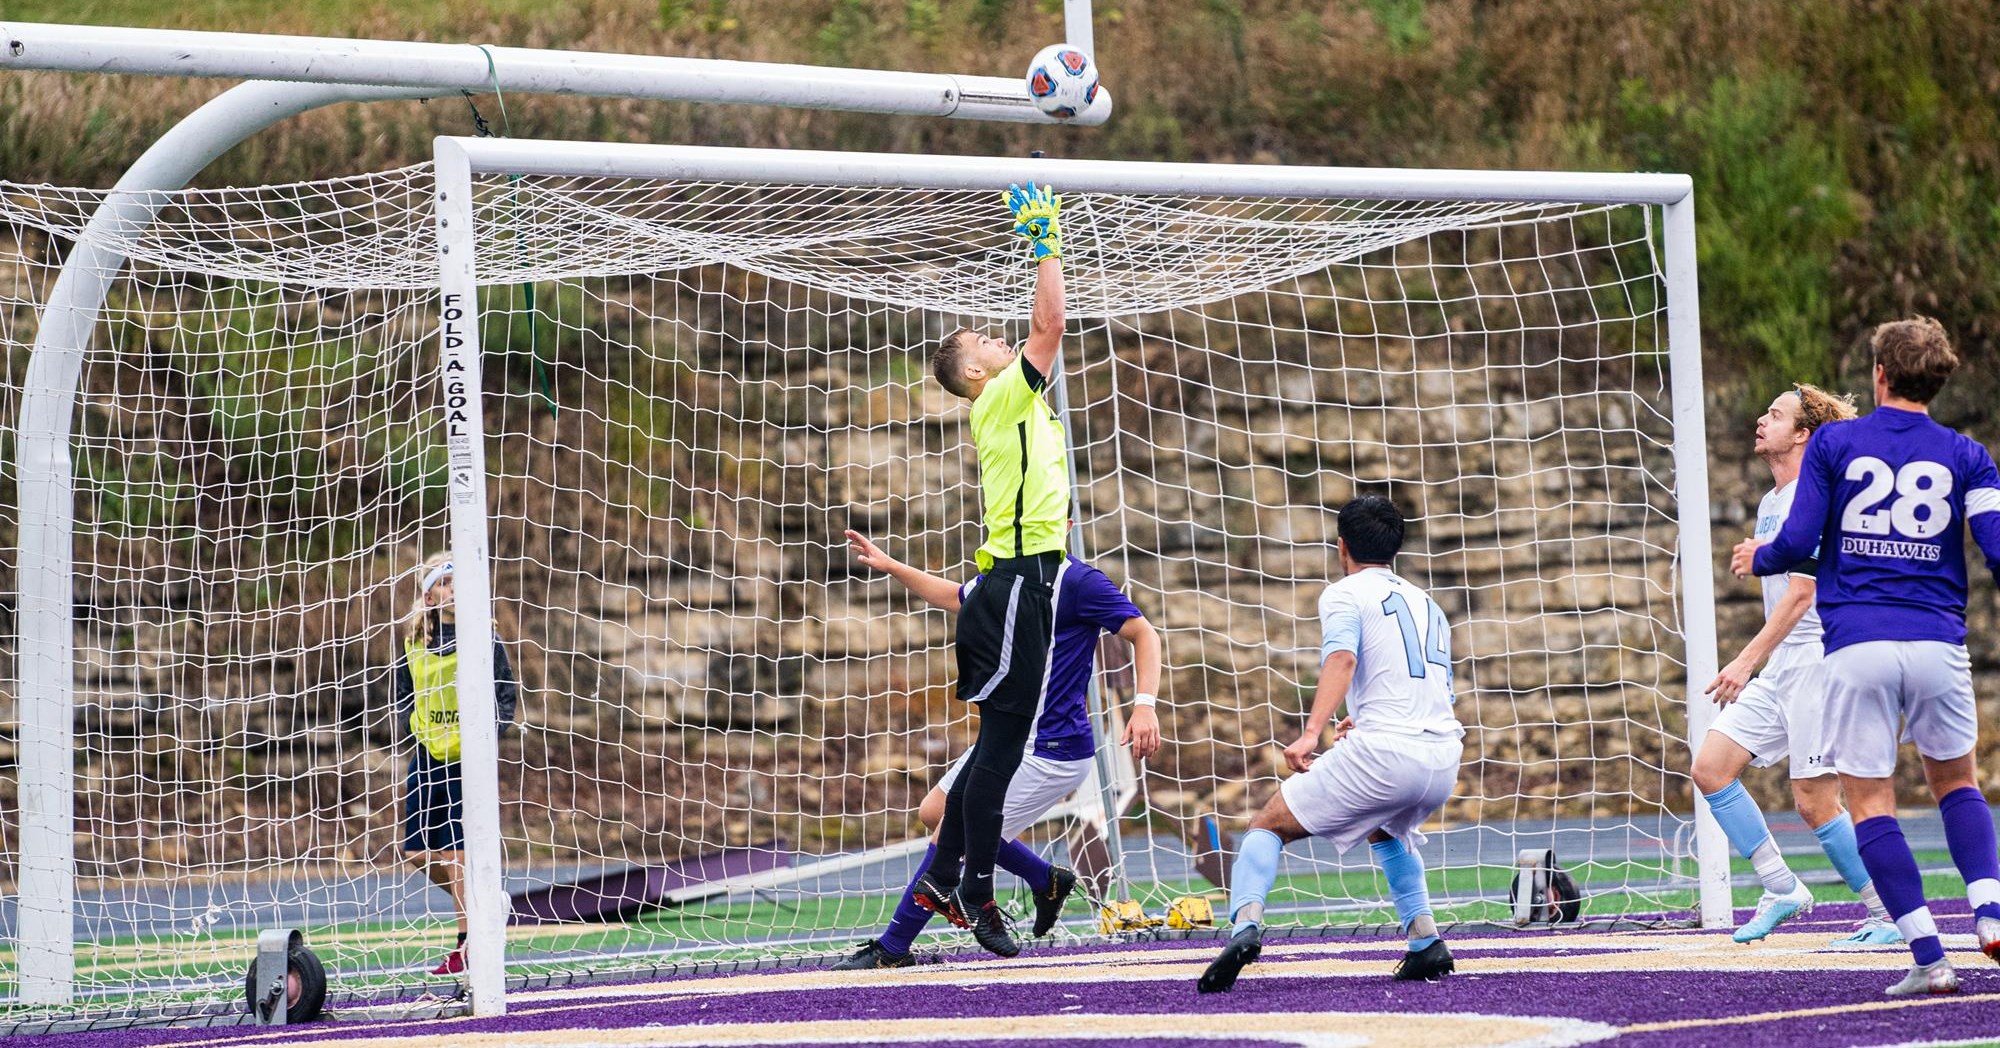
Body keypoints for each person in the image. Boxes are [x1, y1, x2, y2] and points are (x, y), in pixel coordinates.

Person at [1746, 317, 2000, 996]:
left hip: (1857, 645)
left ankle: (1929, 957)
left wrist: (1759, 556)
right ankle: (1988, 912)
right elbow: (1997, 549)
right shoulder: (1969, 455)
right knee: (1959, 784)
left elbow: (1798, 539)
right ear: (1938, 380)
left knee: (1869, 801)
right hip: (1937, 642)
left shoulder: (1836, 442)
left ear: (1880, 375)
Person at [832, 529, 1162, 969]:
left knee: (952, 836)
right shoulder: (1007, 573)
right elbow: (957, 596)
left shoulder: (1080, 582)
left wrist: (1144, 705)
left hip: (1051, 751)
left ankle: (892, 948)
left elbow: (1144, 633)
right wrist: (892, 566)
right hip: (1006, 737)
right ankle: (1046, 879)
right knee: (934, 810)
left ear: (1063, 524)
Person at [1198, 495, 1464, 992]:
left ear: (1342, 547)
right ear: (1396, 546)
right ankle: (1425, 941)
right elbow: (1430, 688)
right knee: (1386, 828)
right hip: (1443, 756)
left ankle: (1244, 927)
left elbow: (1342, 659)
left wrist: (1309, 732)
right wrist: (1362, 719)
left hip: (1388, 755)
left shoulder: (1344, 593)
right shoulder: (1427, 603)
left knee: (1267, 825)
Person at [911, 182, 1074, 956]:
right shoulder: (1002, 397)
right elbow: (1051, 325)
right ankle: (972, 889)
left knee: (999, 752)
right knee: (999, 754)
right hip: (1010, 587)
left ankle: (960, 882)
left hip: (1027, 585)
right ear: (976, 374)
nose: (998, 340)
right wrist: (1045, 241)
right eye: (983, 341)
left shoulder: (1020, 403)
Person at [1696, 385, 1899, 946]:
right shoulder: (1771, 503)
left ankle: (1886, 914)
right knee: (1711, 768)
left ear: (1803, 434)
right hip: (1783, 664)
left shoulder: (1817, 496)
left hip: (1818, 662)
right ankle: (1781, 887)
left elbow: (1802, 596)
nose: (1761, 420)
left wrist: (1744, 661)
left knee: (1814, 800)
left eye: (1776, 414)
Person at [394, 553, 519, 976]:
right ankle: (485, 905)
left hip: (468, 761)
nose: (453, 591)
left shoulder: (483, 637)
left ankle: (467, 946)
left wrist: (486, 739)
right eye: (444, 583)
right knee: (416, 851)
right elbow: (405, 695)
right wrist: (415, 730)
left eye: (459, 583)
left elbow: (505, 695)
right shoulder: (414, 642)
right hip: (428, 756)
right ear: (429, 595)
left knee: (458, 852)